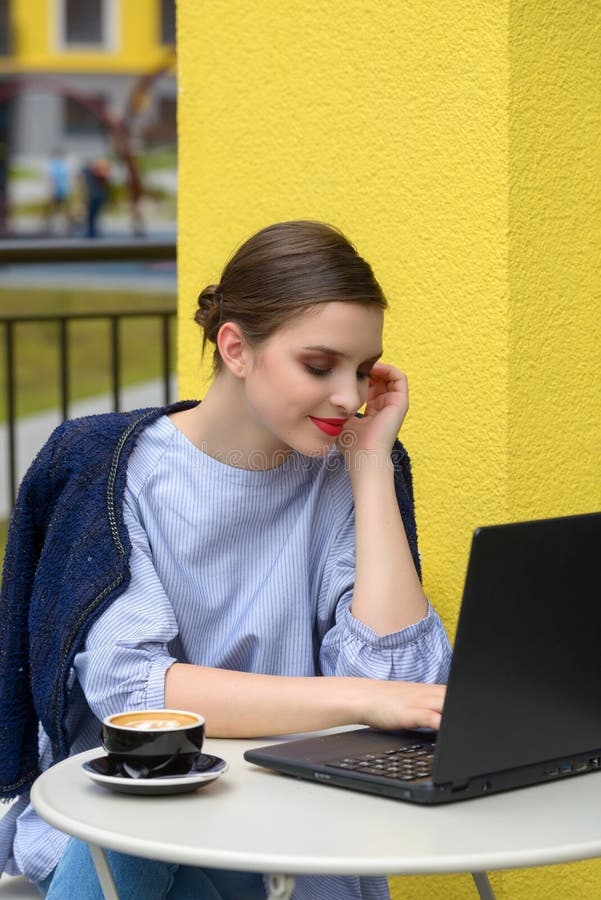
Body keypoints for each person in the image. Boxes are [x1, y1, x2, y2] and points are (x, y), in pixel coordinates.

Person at [0, 220, 452, 899]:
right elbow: (133, 694)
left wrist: (370, 466)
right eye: (319, 365)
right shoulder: (111, 468)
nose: (348, 397)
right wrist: (365, 699)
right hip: (139, 826)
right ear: (235, 348)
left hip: (294, 823)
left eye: (362, 371)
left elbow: (407, 681)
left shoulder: (344, 473)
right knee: (144, 817)